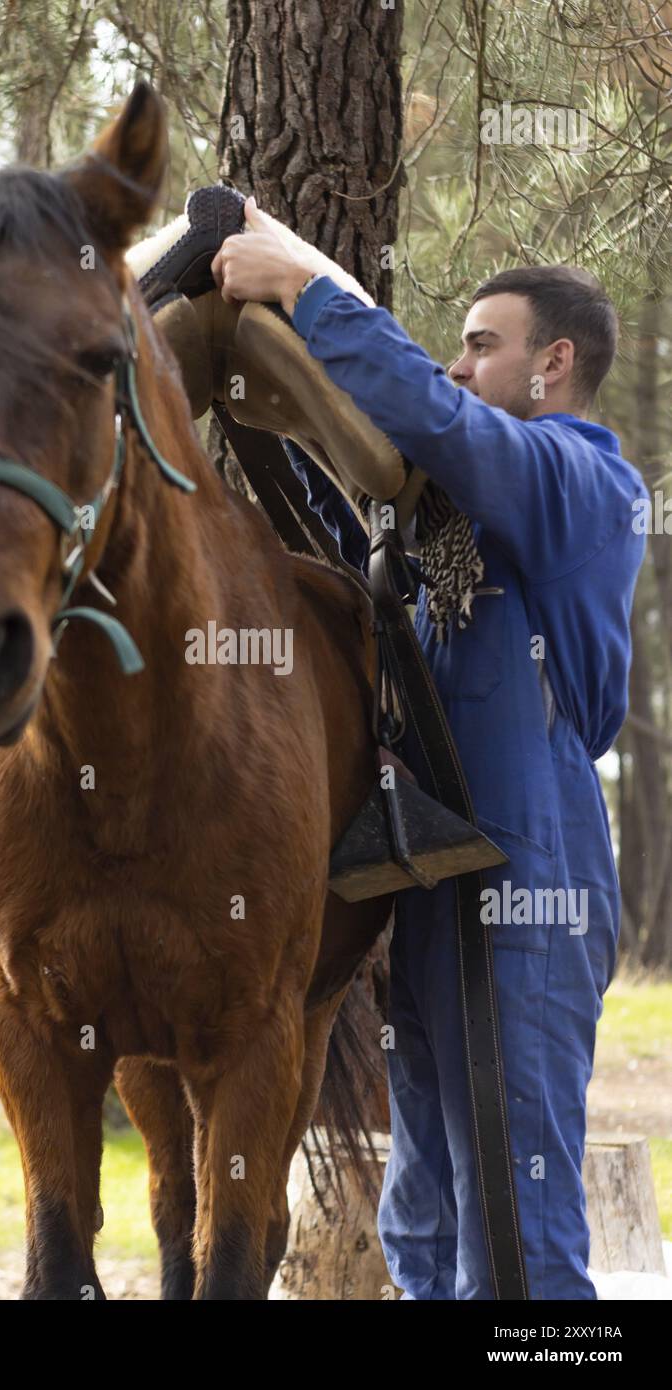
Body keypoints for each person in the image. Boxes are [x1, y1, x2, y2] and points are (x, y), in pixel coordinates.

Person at [211, 201, 648, 1300]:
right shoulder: (456, 522)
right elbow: (361, 517)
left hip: (531, 883)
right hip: (441, 883)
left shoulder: (580, 484)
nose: (455, 367)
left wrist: (309, 293)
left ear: (551, 365)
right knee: (425, 1213)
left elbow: (437, 424)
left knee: (513, 1234)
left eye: (479, 343)